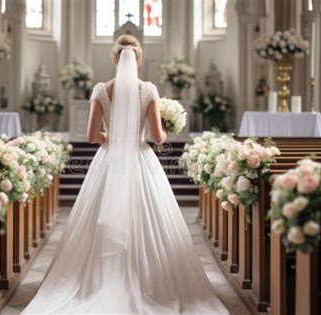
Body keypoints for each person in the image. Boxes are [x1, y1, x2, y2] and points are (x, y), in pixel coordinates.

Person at [22, 35, 229, 314]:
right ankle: (149, 278)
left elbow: (91, 136)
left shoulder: (100, 90)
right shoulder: (149, 90)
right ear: (139, 59)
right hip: (140, 157)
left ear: (114, 58)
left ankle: (97, 278)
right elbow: (157, 138)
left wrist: (111, 135)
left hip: (108, 161)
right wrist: (166, 126)